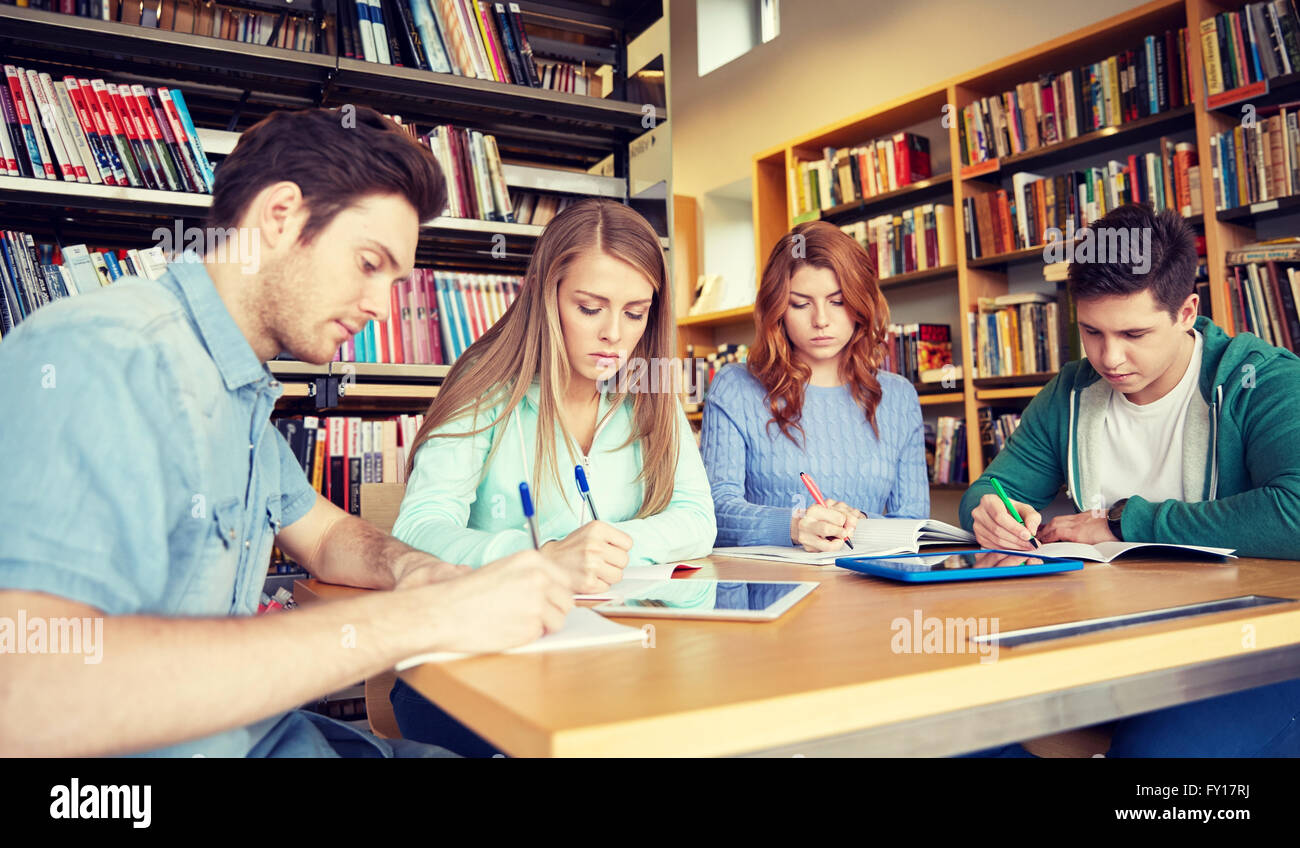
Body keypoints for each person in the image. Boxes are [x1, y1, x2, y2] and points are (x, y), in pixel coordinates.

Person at [0, 106, 573, 758]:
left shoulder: (236, 387)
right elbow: (31, 691)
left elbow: (327, 536)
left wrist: (418, 571)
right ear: (279, 217)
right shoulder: (105, 358)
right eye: (368, 263)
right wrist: (425, 618)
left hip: (271, 737)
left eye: (395, 280)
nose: (383, 307)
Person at [961, 203, 1300, 756]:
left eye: (1134, 332)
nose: (1109, 358)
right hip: (1110, 640)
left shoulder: (1262, 380)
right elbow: (990, 490)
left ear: (1187, 311)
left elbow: (1296, 515)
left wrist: (1122, 521)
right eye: (1091, 331)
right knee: (958, 730)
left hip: (1260, 653)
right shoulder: (1070, 392)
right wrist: (993, 512)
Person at [389, 198, 716, 752]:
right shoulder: (486, 383)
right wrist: (544, 559)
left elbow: (695, 519)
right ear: (547, 295)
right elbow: (416, 530)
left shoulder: (651, 392)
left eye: (635, 313)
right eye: (590, 307)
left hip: (616, 657)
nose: (614, 333)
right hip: (474, 668)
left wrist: (605, 550)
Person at [700, 220, 929, 553]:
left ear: (860, 304)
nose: (821, 319)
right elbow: (714, 512)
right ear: (777, 308)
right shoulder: (735, 387)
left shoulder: (898, 396)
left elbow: (913, 520)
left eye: (837, 301)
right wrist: (794, 527)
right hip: (769, 596)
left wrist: (860, 523)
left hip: (870, 593)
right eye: (801, 303)